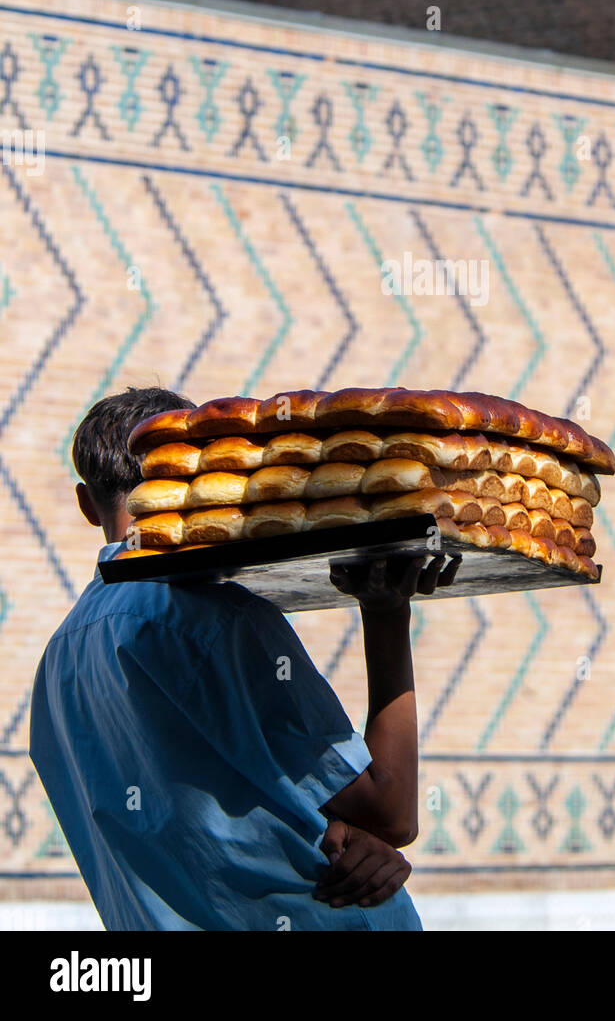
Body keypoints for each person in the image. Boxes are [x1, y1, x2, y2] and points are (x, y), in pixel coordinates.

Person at [29, 386, 459, 930]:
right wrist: (386, 612)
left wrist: (342, 825)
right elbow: (391, 811)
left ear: (86, 504)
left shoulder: (57, 664)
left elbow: (234, 803)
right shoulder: (210, 615)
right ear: (190, 478)